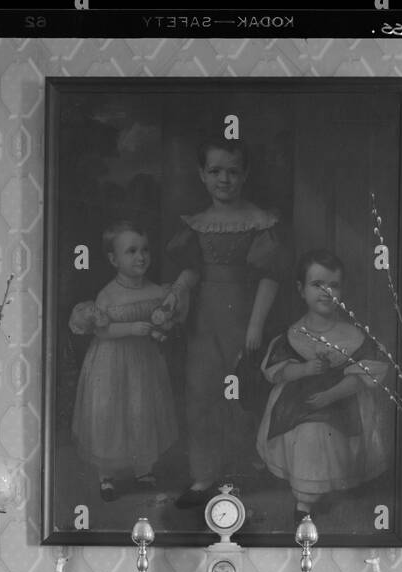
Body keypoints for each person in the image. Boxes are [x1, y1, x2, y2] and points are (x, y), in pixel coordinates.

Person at [165, 137, 287, 508]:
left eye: (233, 172)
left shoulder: (259, 221)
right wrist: (177, 293)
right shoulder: (198, 224)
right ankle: (204, 475)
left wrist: (254, 326)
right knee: (202, 390)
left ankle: (238, 472)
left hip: (245, 315)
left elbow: (270, 275)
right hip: (204, 318)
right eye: (215, 171)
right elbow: (190, 270)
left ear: (245, 175)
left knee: (240, 393)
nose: (224, 179)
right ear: (202, 175)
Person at [256, 249, 389, 526]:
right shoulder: (292, 335)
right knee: (308, 433)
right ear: (301, 290)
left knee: (325, 432)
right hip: (296, 407)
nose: (326, 292)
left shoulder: (353, 335)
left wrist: (331, 394)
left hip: (342, 402)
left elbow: (366, 373)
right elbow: (276, 370)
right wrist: (303, 370)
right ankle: (304, 501)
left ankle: (332, 492)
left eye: (334, 285)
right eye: (317, 284)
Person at [69, 221, 184, 500]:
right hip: (110, 363)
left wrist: (162, 328)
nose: (140, 257)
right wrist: (132, 329)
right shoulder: (108, 294)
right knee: (110, 414)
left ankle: (143, 469)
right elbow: (101, 329)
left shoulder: (157, 291)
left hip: (144, 363)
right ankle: (106, 475)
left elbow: (166, 321)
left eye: (144, 250)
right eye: (131, 251)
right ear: (113, 259)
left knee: (141, 411)